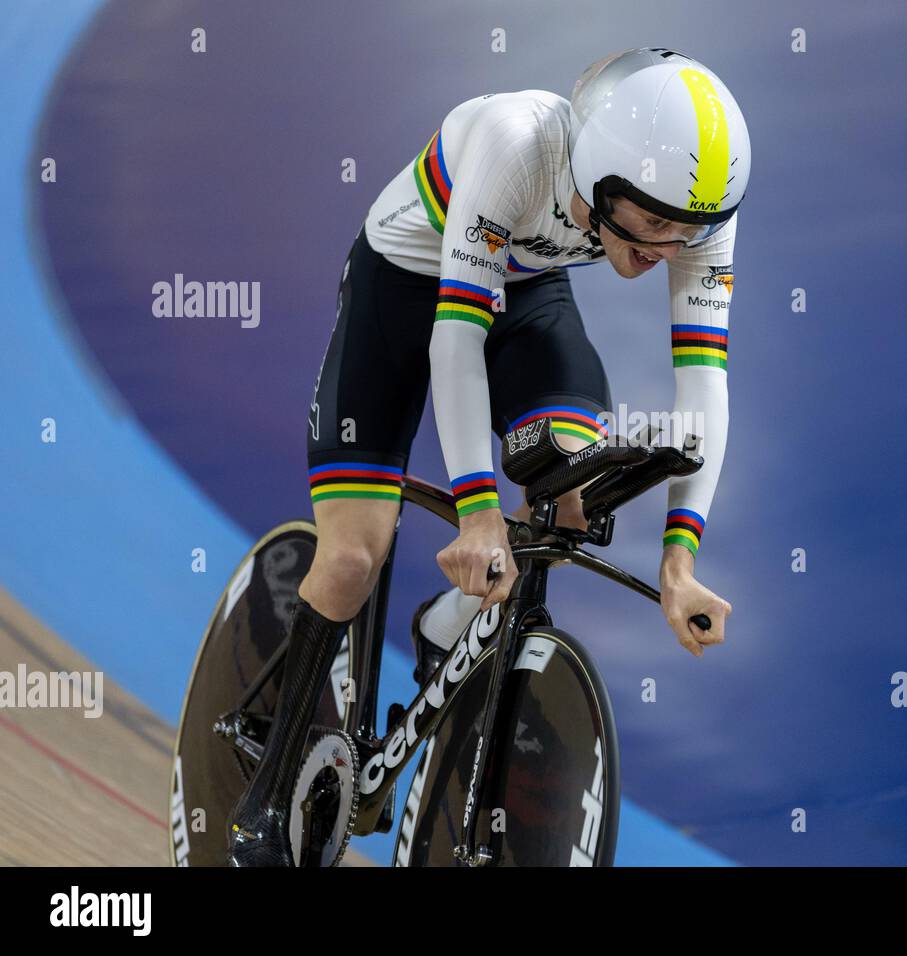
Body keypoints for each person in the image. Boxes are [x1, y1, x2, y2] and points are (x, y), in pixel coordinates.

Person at [226, 47, 750, 866]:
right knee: (357, 554)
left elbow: (703, 392)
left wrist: (680, 558)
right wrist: (475, 514)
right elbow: (454, 343)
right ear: (601, 181)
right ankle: (267, 795)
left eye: (689, 230)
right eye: (653, 225)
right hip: (404, 291)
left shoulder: (695, 211)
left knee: (576, 488)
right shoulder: (514, 144)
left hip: (527, 293)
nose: (671, 247)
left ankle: (451, 628)